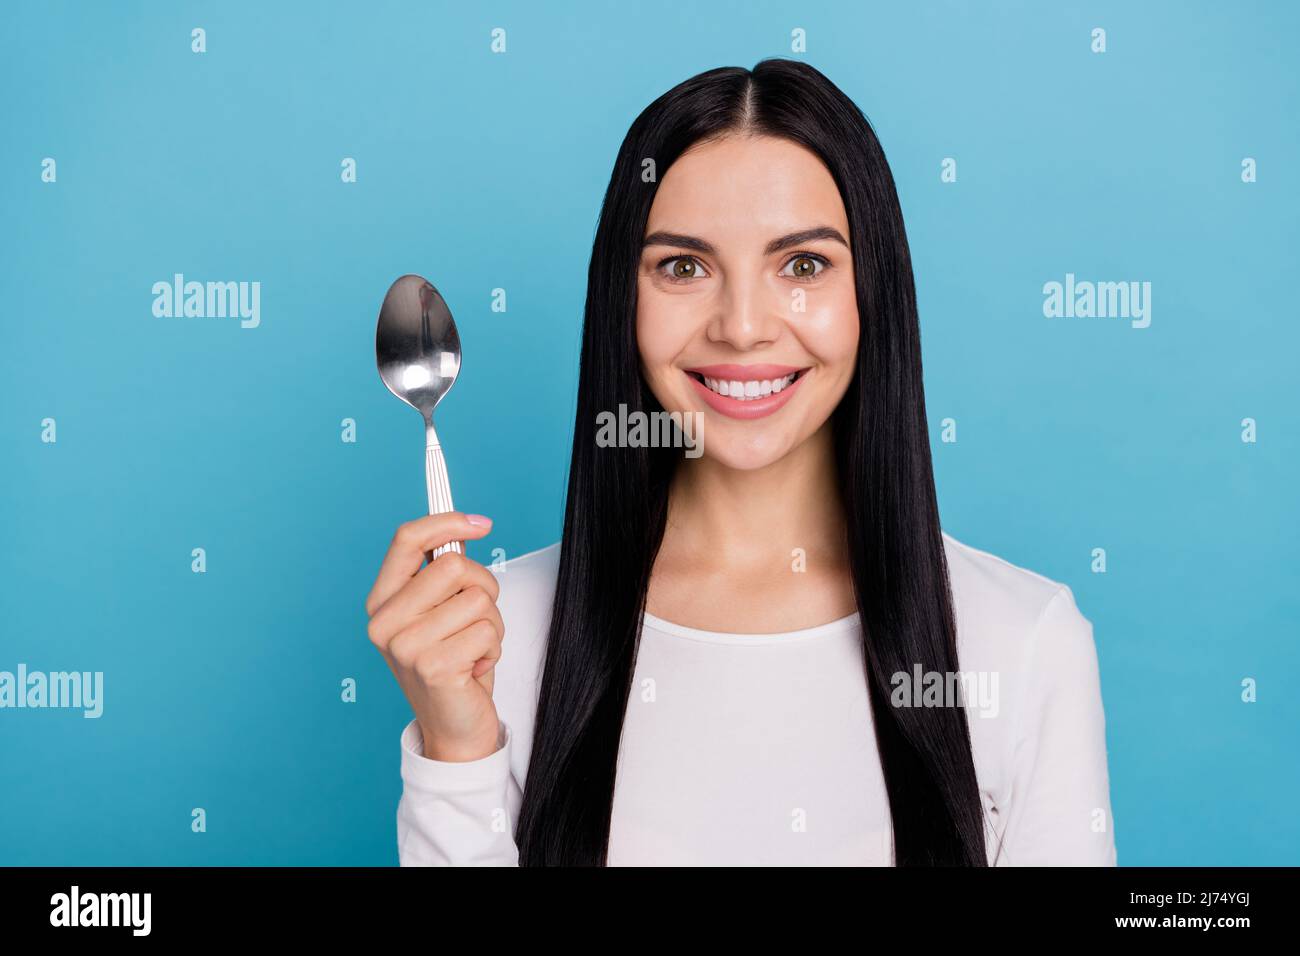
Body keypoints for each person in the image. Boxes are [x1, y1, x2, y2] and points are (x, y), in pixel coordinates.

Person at [365, 58, 1117, 866]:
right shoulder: (486, 639)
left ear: (874, 294)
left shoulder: (1026, 642)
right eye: (684, 267)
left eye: (803, 265)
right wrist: (456, 754)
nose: (743, 326)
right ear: (625, 296)